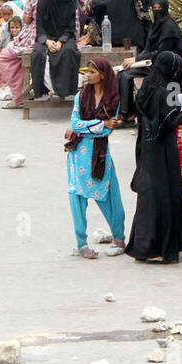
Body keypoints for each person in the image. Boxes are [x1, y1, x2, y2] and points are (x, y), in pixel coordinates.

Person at [126, 52, 182, 263]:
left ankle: (143, 246)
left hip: (147, 149)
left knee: (148, 200)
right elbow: (167, 124)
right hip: (162, 152)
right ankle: (158, 249)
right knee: (164, 198)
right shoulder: (162, 92)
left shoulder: (147, 88)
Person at [64, 57, 126, 258]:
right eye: (87, 71)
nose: (87, 75)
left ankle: (119, 238)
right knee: (77, 198)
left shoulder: (114, 100)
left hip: (100, 155)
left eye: (92, 72)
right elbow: (75, 123)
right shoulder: (81, 96)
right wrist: (100, 124)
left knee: (111, 196)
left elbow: (108, 131)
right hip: (78, 156)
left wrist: (85, 128)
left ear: (103, 75)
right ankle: (82, 244)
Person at [29, 0, 80, 100]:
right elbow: (40, 26)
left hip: (65, 37)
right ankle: (45, 90)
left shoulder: (70, 2)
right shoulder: (42, 1)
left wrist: (60, 42)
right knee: (39, 54)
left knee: (68, 52)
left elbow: (70, 28)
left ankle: (64, 90)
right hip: (46, 37)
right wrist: (47, 41)